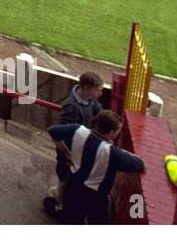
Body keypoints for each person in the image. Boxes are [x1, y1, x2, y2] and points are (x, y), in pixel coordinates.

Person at [47, 110, 145, 225]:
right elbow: (138, 164)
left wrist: (66, 152)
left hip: (72, 186)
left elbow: (52, 131)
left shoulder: (78, 130)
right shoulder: (111, 152)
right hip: (95, 196)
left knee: (70, 220)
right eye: (118, 130)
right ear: (111, 132)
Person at [43, 72, 104, 217]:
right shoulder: (72, 107)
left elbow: (99, 111)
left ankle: (58, 199)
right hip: (70, 153)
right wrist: (68, 154)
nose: (100, 93)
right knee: (66, 180)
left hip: (77, 151)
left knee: (69, 181)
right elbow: (64, 134)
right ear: (86, 88)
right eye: (97, 90)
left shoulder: (90, 100)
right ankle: (55, 201)